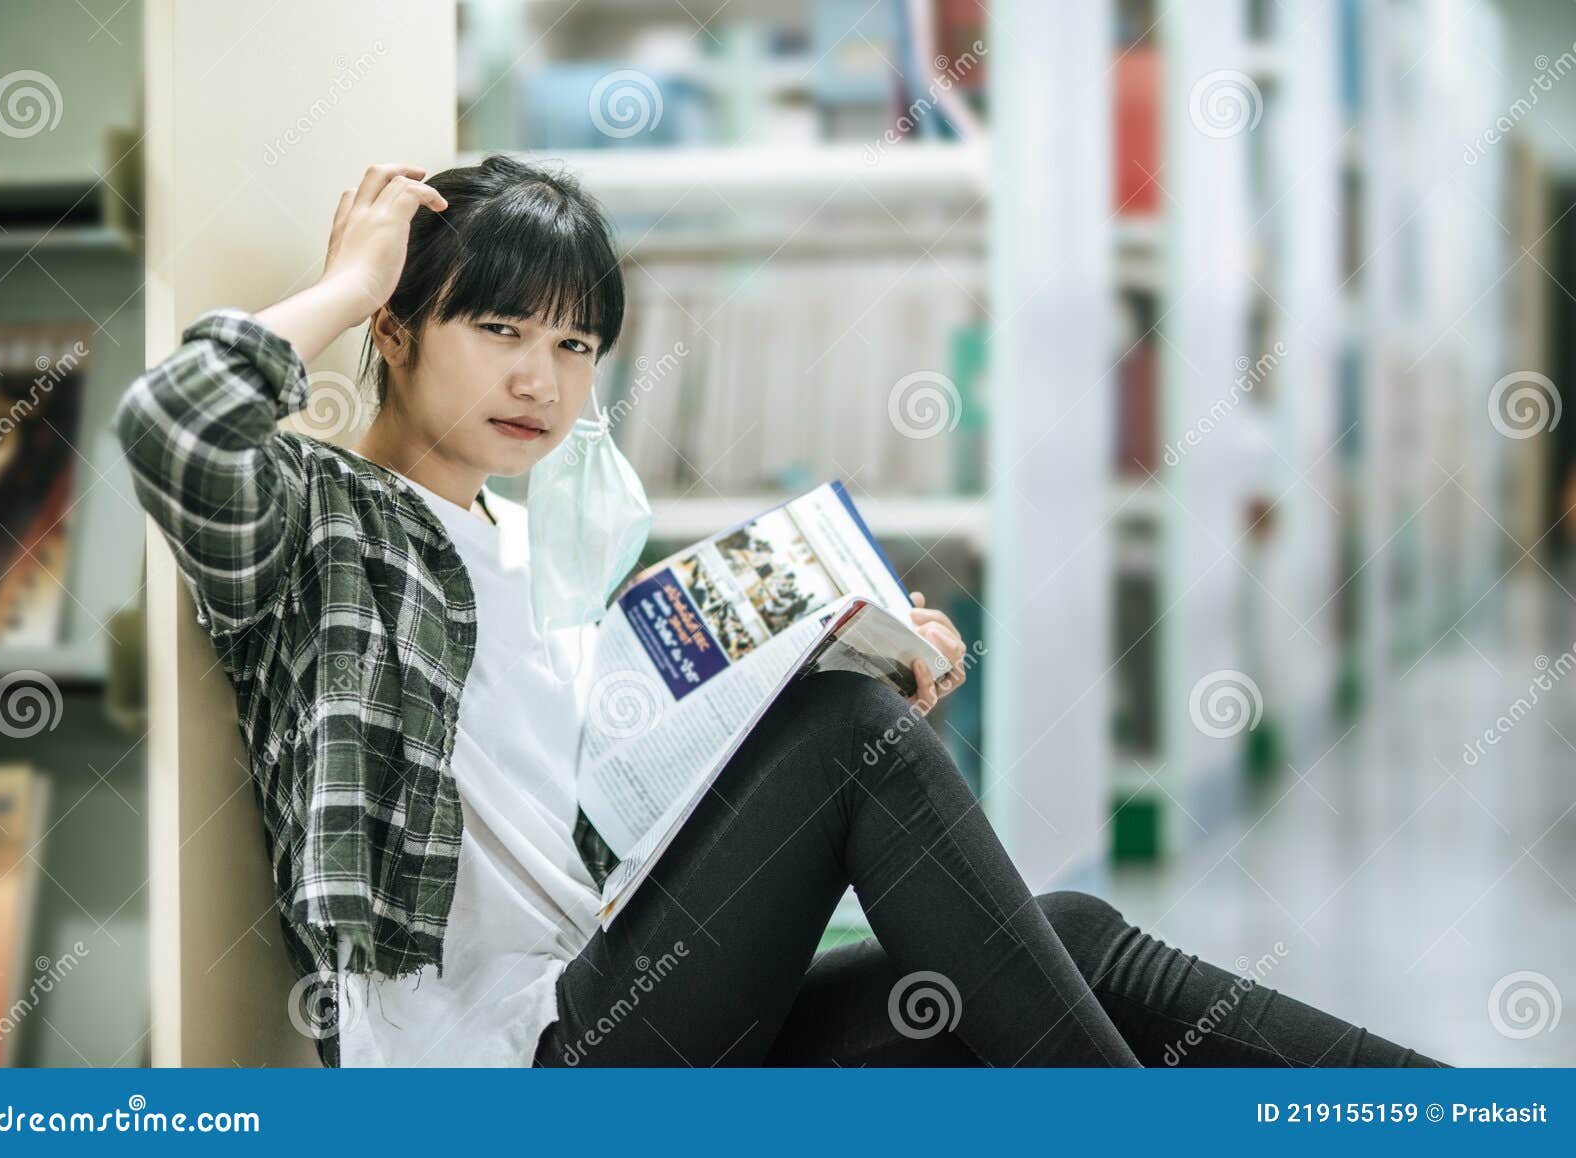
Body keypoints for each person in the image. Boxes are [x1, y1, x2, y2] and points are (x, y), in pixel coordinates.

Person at [113, 156, 1446, 1068]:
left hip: (606, 1002)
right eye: (502, 330)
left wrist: (849, 647)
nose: (543, 379)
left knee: (1076, 931)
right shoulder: (324, 527)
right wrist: (352, 278)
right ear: (401, 334)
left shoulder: (517, 546)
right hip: (507, 1073)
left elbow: (622, 795)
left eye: (576, 347)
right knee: (845, 737)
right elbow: (170, 426)